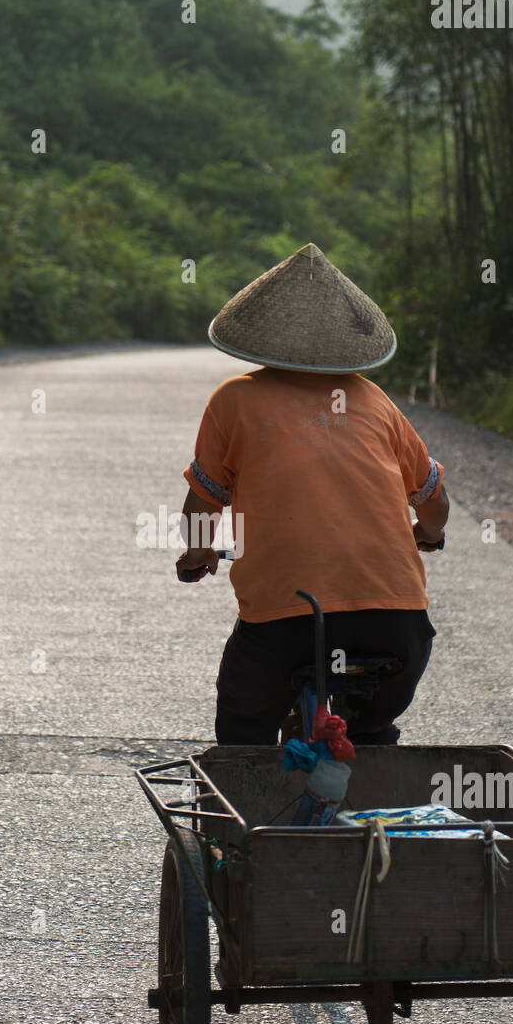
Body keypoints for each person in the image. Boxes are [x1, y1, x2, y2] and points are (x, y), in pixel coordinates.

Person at [175, 243, 448, 746]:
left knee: (244, 734)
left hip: (286, 626)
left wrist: (196, 552)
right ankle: (371, 779)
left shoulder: (234, 399)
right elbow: (433, 498)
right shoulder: (374, 399)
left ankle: (245, 814)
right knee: (370, 734)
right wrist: (428, 533)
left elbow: (204, 502)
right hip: (398, 629)